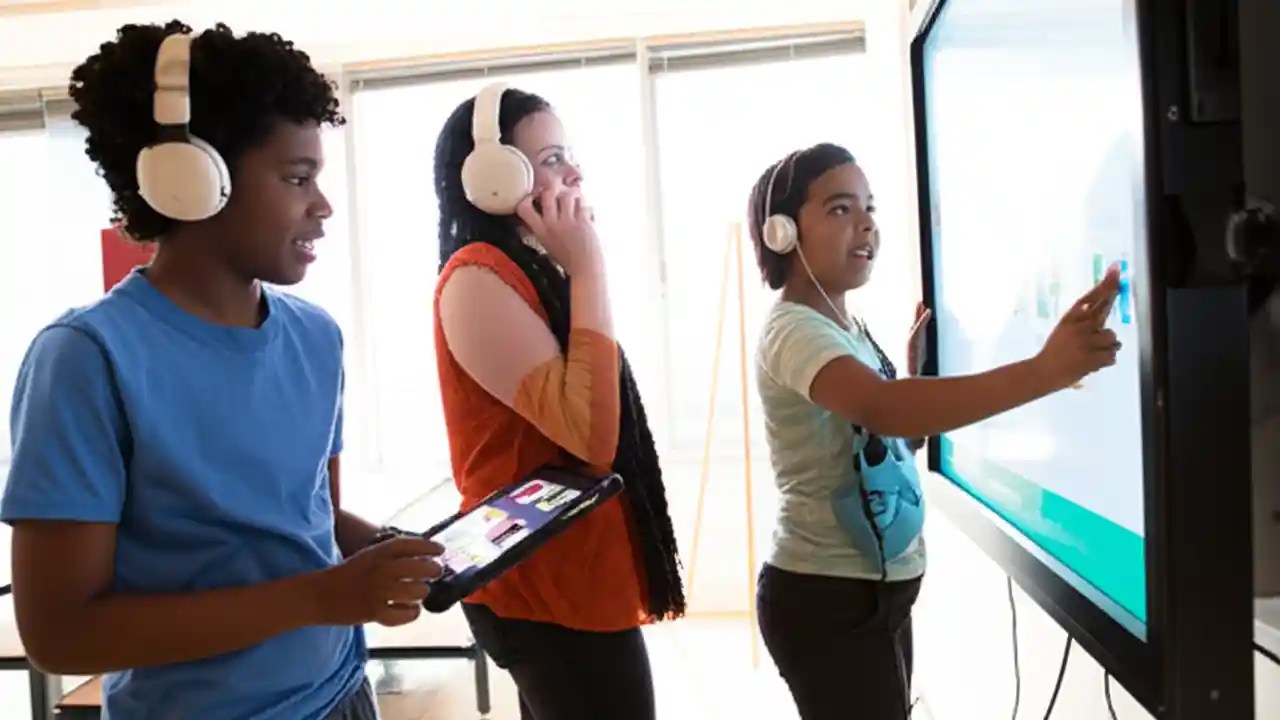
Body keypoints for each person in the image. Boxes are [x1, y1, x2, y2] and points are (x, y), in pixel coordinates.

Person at [1, 21, 443, 720]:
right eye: (297, 178)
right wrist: (320, 597)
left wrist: (386, 554)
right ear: (191, 182)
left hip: (343, 696)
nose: (322, 206)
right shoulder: (86, 360)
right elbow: (60, 635)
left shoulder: (316, 338)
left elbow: (310, 518)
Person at [747, 143, 1122, 720]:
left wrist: (914, 382)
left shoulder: (846, 326)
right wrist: (1045, 371)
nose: (868, 222)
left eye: (869, 206)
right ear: (782, 233)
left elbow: (888, 439)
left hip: (873, 594)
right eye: (841, 209)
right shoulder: (793, 327)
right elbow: (881, 409)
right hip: (825, 595)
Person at [431, 83, 685, 720]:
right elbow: (589, 438)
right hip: (541, 585)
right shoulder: (477, 278)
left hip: (568, 574)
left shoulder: (533, 271)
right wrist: (591, 269)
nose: (573, 171)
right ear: (493, 179)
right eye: (549, 159)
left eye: (567, 155)